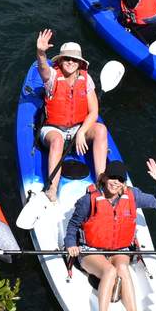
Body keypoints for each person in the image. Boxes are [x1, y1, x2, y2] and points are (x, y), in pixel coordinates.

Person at [63, 158, 156, 311]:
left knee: (122, 267)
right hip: (90, 250)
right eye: (112, 177)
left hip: (119, 249)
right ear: (104, 177)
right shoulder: (87, 201)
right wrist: (70, 244)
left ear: (124, 183)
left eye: (120, 179)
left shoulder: (133, 195)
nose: (115, 182)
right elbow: (73, 226)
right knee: (110, 271)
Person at [36, 30, 108, 201]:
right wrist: (40, 52)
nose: (70, 62)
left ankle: (100, 180)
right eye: (66, 58)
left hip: (77, 129)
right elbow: (43, 68)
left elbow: (94, 112)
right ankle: (52, 188)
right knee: (58, 140)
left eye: (74, 59)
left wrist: (82, 132)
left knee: (101, 130)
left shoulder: (86, 79)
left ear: (79, 63)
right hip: (53, 129)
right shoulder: (52, 76)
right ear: (60, 61)